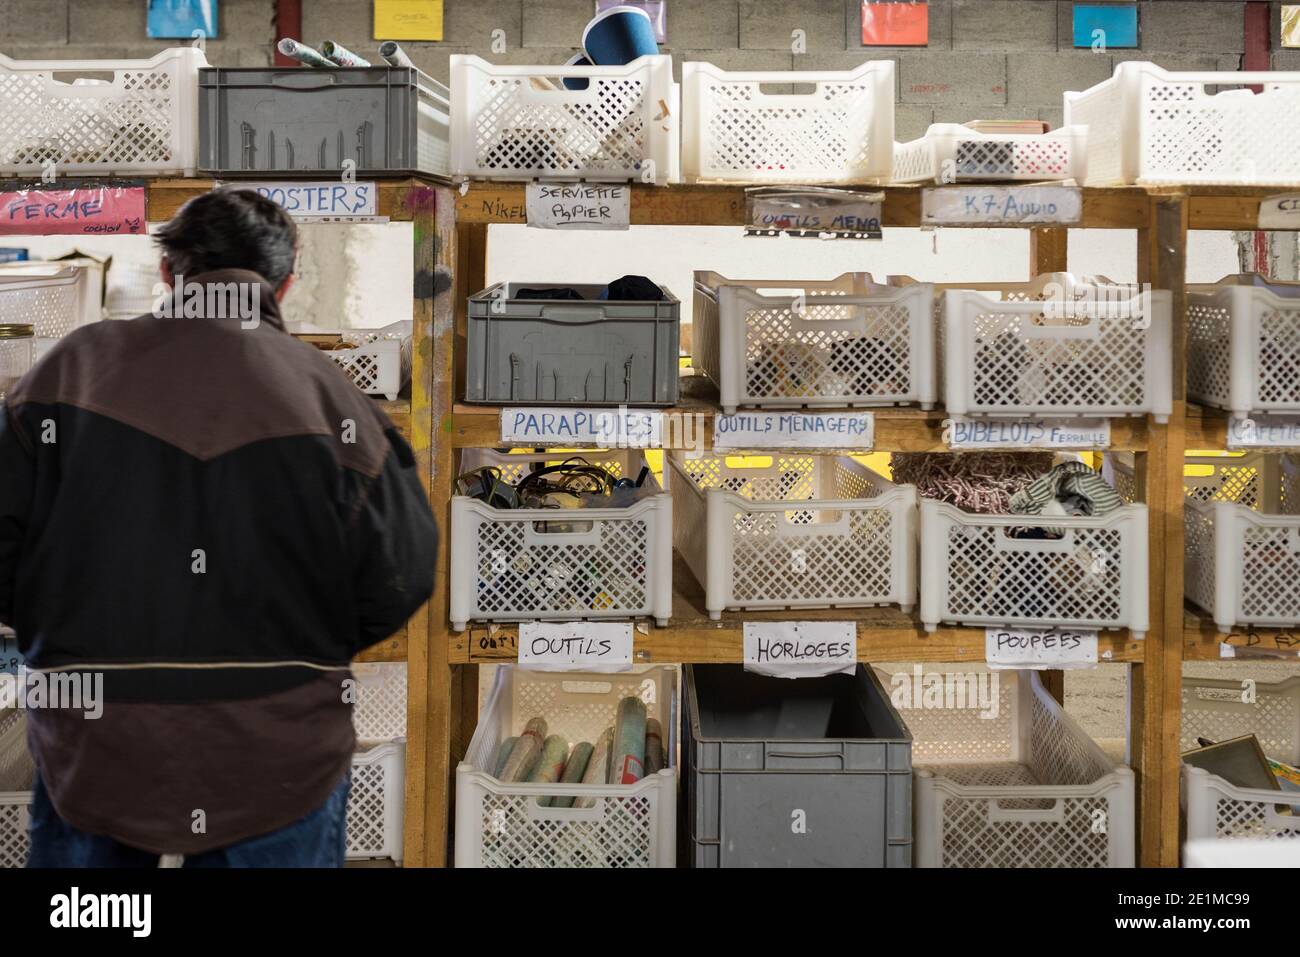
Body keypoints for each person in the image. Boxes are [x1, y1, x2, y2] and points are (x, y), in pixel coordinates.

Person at [0, 189, 437, 867]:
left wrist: (57, 630)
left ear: (171, 274)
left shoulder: (67, 373)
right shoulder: (334, 397)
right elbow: (402, 572)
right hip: (278, 754)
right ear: (284, 285)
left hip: (96, 746)